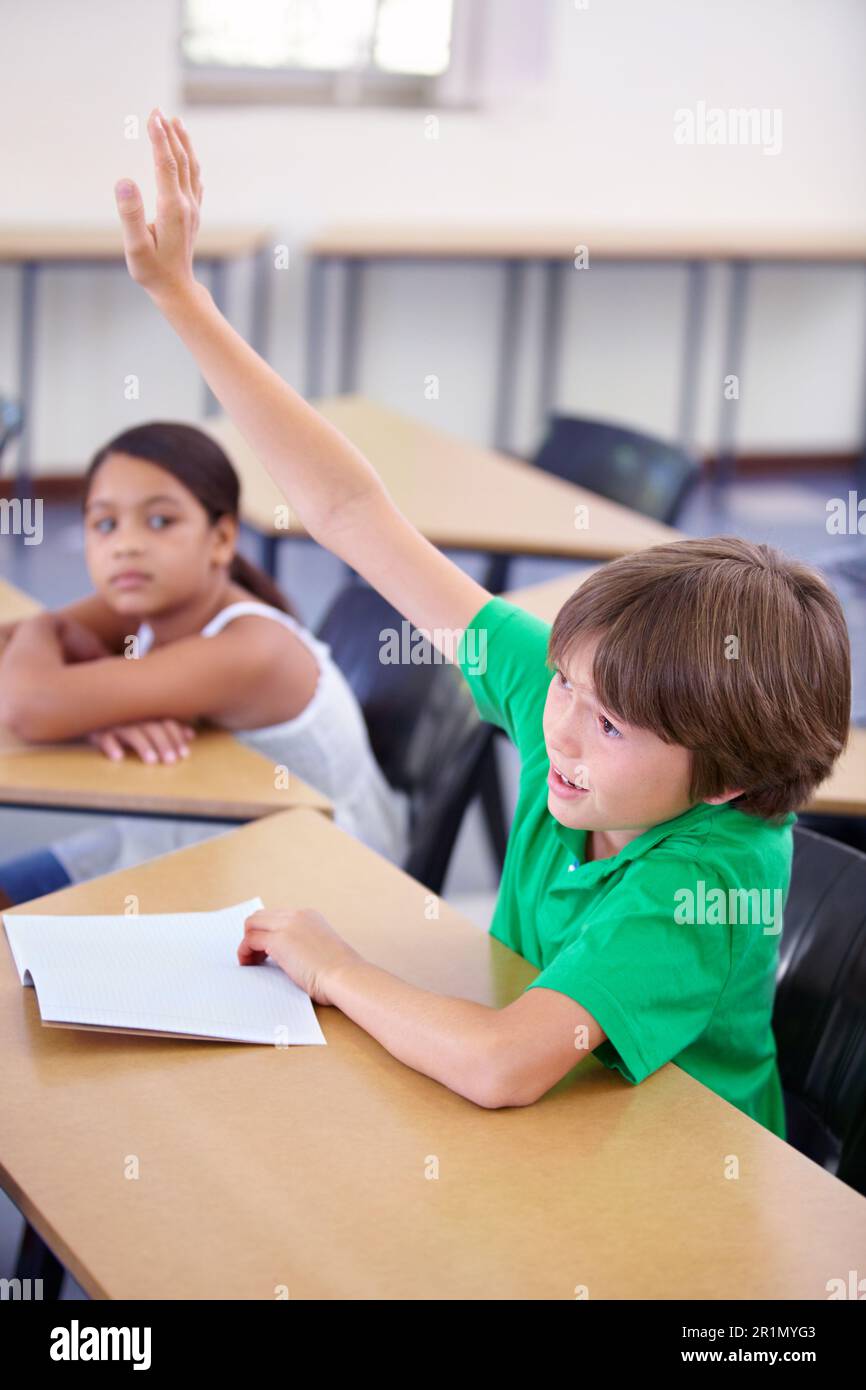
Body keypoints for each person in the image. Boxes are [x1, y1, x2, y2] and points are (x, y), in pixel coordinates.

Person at [103, 108, 850, 1123]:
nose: (558, 728)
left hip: (669, 1200)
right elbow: (350, 512)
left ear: (728, 783)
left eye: (607, 723)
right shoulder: (579, 712)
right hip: (549, 1139)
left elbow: (502, 1065)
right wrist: (181, 297)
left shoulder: (697, 882)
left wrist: (335, 966)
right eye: (568, 690)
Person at [0, 421, 410, 906]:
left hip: (306, 888)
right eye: (104, 524)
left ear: (221, 539)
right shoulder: (144, 601)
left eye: (160, 522)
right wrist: (93, 716)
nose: (126, 544)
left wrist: (44, 638)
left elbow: (28, 705)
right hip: (192, 841)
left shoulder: (252, 648)